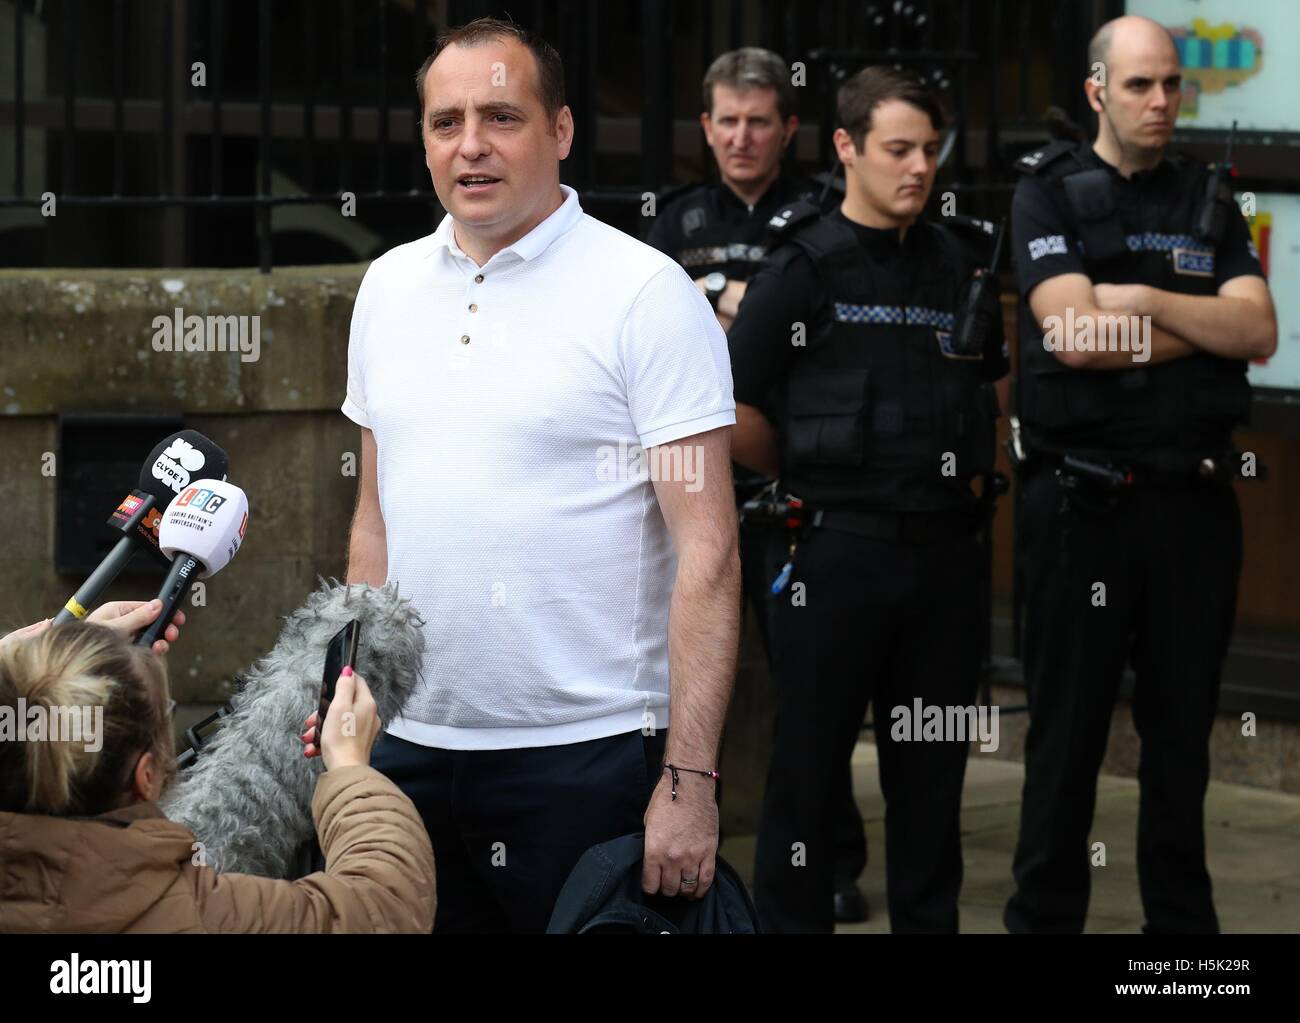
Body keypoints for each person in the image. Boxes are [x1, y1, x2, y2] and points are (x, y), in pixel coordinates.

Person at [340, 17, 739, 933]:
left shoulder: (646, 294)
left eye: (501, 117)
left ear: (560, 132)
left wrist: (690, 780)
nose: (470, 145)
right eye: (446, 122)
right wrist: (350, 701)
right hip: (404, 746)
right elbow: (374, 522)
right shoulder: (387, 287)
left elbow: (709, 548)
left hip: (585, 759)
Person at [1003, 15, 1276, 934]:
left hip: (1194, 504)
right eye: (1138, 86)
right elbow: (1073, 336)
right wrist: (1197, 328)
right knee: (1068, 739)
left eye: (1171, 85)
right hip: (1083, 504)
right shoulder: (1046, 193)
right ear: (1096, 93)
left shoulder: (1209, 195)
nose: (1160, 102)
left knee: (1182, 740)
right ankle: (1045, 920)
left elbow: (1260, 332)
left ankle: (1183, 945)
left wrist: (1144, 300)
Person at [727, 66, 1007, 933]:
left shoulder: (961, 262)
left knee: (933, 782)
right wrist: (807, 473)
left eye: (930, 149)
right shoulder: (803, 265)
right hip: (833, 556)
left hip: (946, 562)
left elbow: (990, 390)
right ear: (847, 148)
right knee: (807, 780)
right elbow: (732, 404)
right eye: (898, 149)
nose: (919, 167)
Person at [647, 44, 869, 925]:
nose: (742, 137)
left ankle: (833, 858)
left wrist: (726, 301)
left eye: (760, 121)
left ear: (789, 129)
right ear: (706, 128)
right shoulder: (676, 216)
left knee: (810, 687)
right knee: (681, 675)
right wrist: (737, 298)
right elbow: (656, 328)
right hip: (694, 485)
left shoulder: (818, 215)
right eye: (727, 122)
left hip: (789, 481)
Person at [0, 621, 435, 933]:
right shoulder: (209, 915)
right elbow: (383, 908)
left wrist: (49, 663)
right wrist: (349, 767)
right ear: (146, 777)